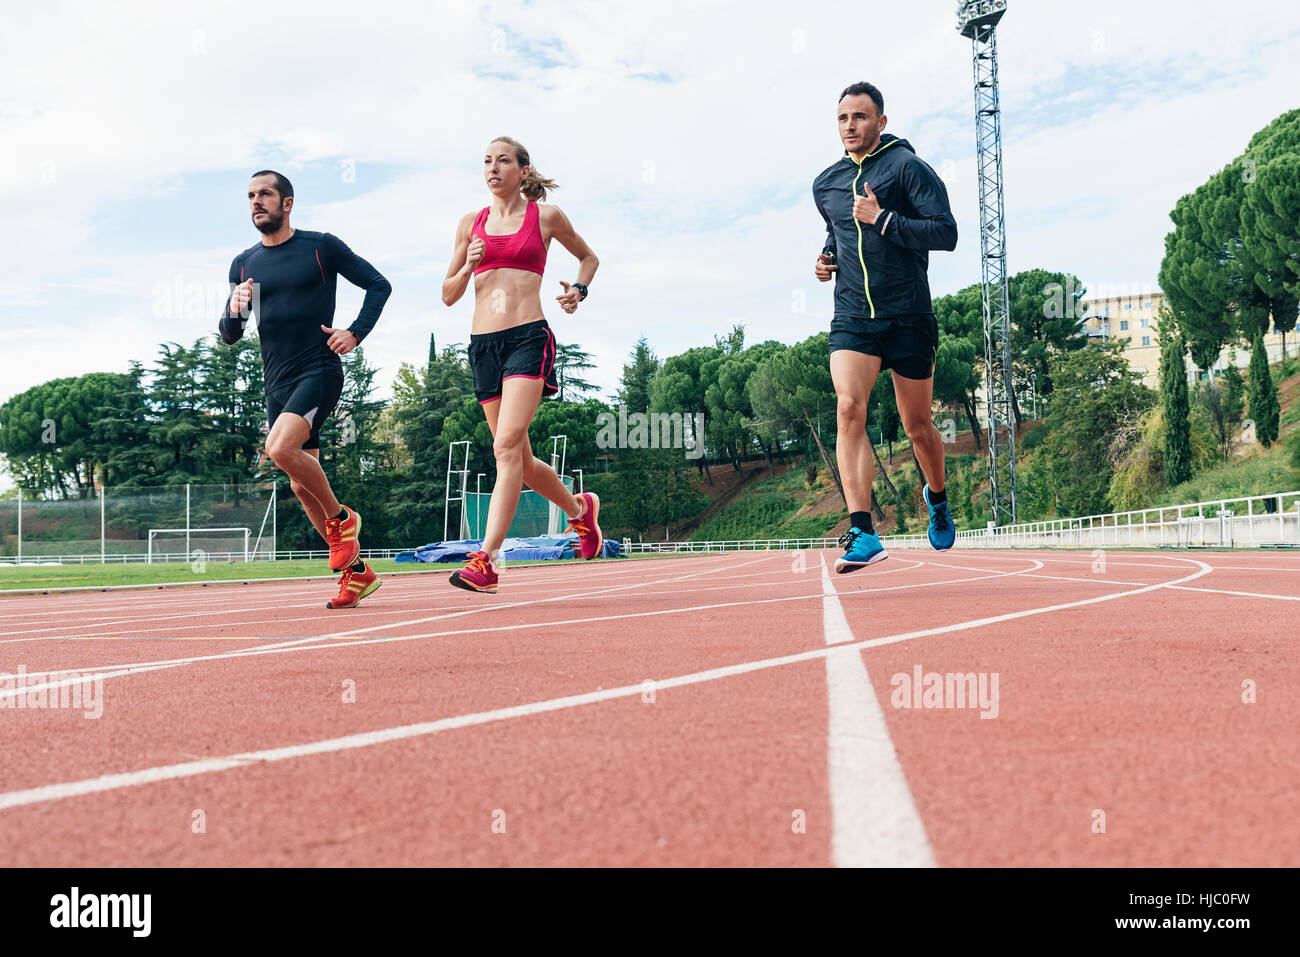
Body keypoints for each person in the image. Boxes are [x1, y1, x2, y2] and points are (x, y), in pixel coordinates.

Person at [219, 170, 392, 607]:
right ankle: (358, 575)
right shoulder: (242, 264)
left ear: (287, 203)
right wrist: (234, 310)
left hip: (318, 369)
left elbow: (379, 284)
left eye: (265, 195)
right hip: (275, 381)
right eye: (251, 196)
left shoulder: (321, 247)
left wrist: (355, 333)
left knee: (279, 450)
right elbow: (230, 335)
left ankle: (342, 520)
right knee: (300, 484)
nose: (257, 202)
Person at [441, 137, 602, 594]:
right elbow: (448, 295)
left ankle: (486, 559)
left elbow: (588, 257)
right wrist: (467, 265)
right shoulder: (469, 225)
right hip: (482, 345)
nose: (493, 168)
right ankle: (579, 512)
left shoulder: (545, 217)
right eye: (487, 161)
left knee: (506, 446)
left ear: (524, 171)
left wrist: (579, 290)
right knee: (521, 459)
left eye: (503, 160)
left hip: (527, 337)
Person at [812, 82, 959, 572]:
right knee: (849, 408)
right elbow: (837, 229)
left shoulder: (907, 168)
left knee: (918, 428)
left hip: (909, 315)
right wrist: (828, 256)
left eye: (859, 117)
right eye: (842, 118)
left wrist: (884, 219)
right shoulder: (825, 183)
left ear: (881, 121)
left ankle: (936, 499)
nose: (849, 126)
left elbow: (946, 232)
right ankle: (863, 530)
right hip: (853, 316)